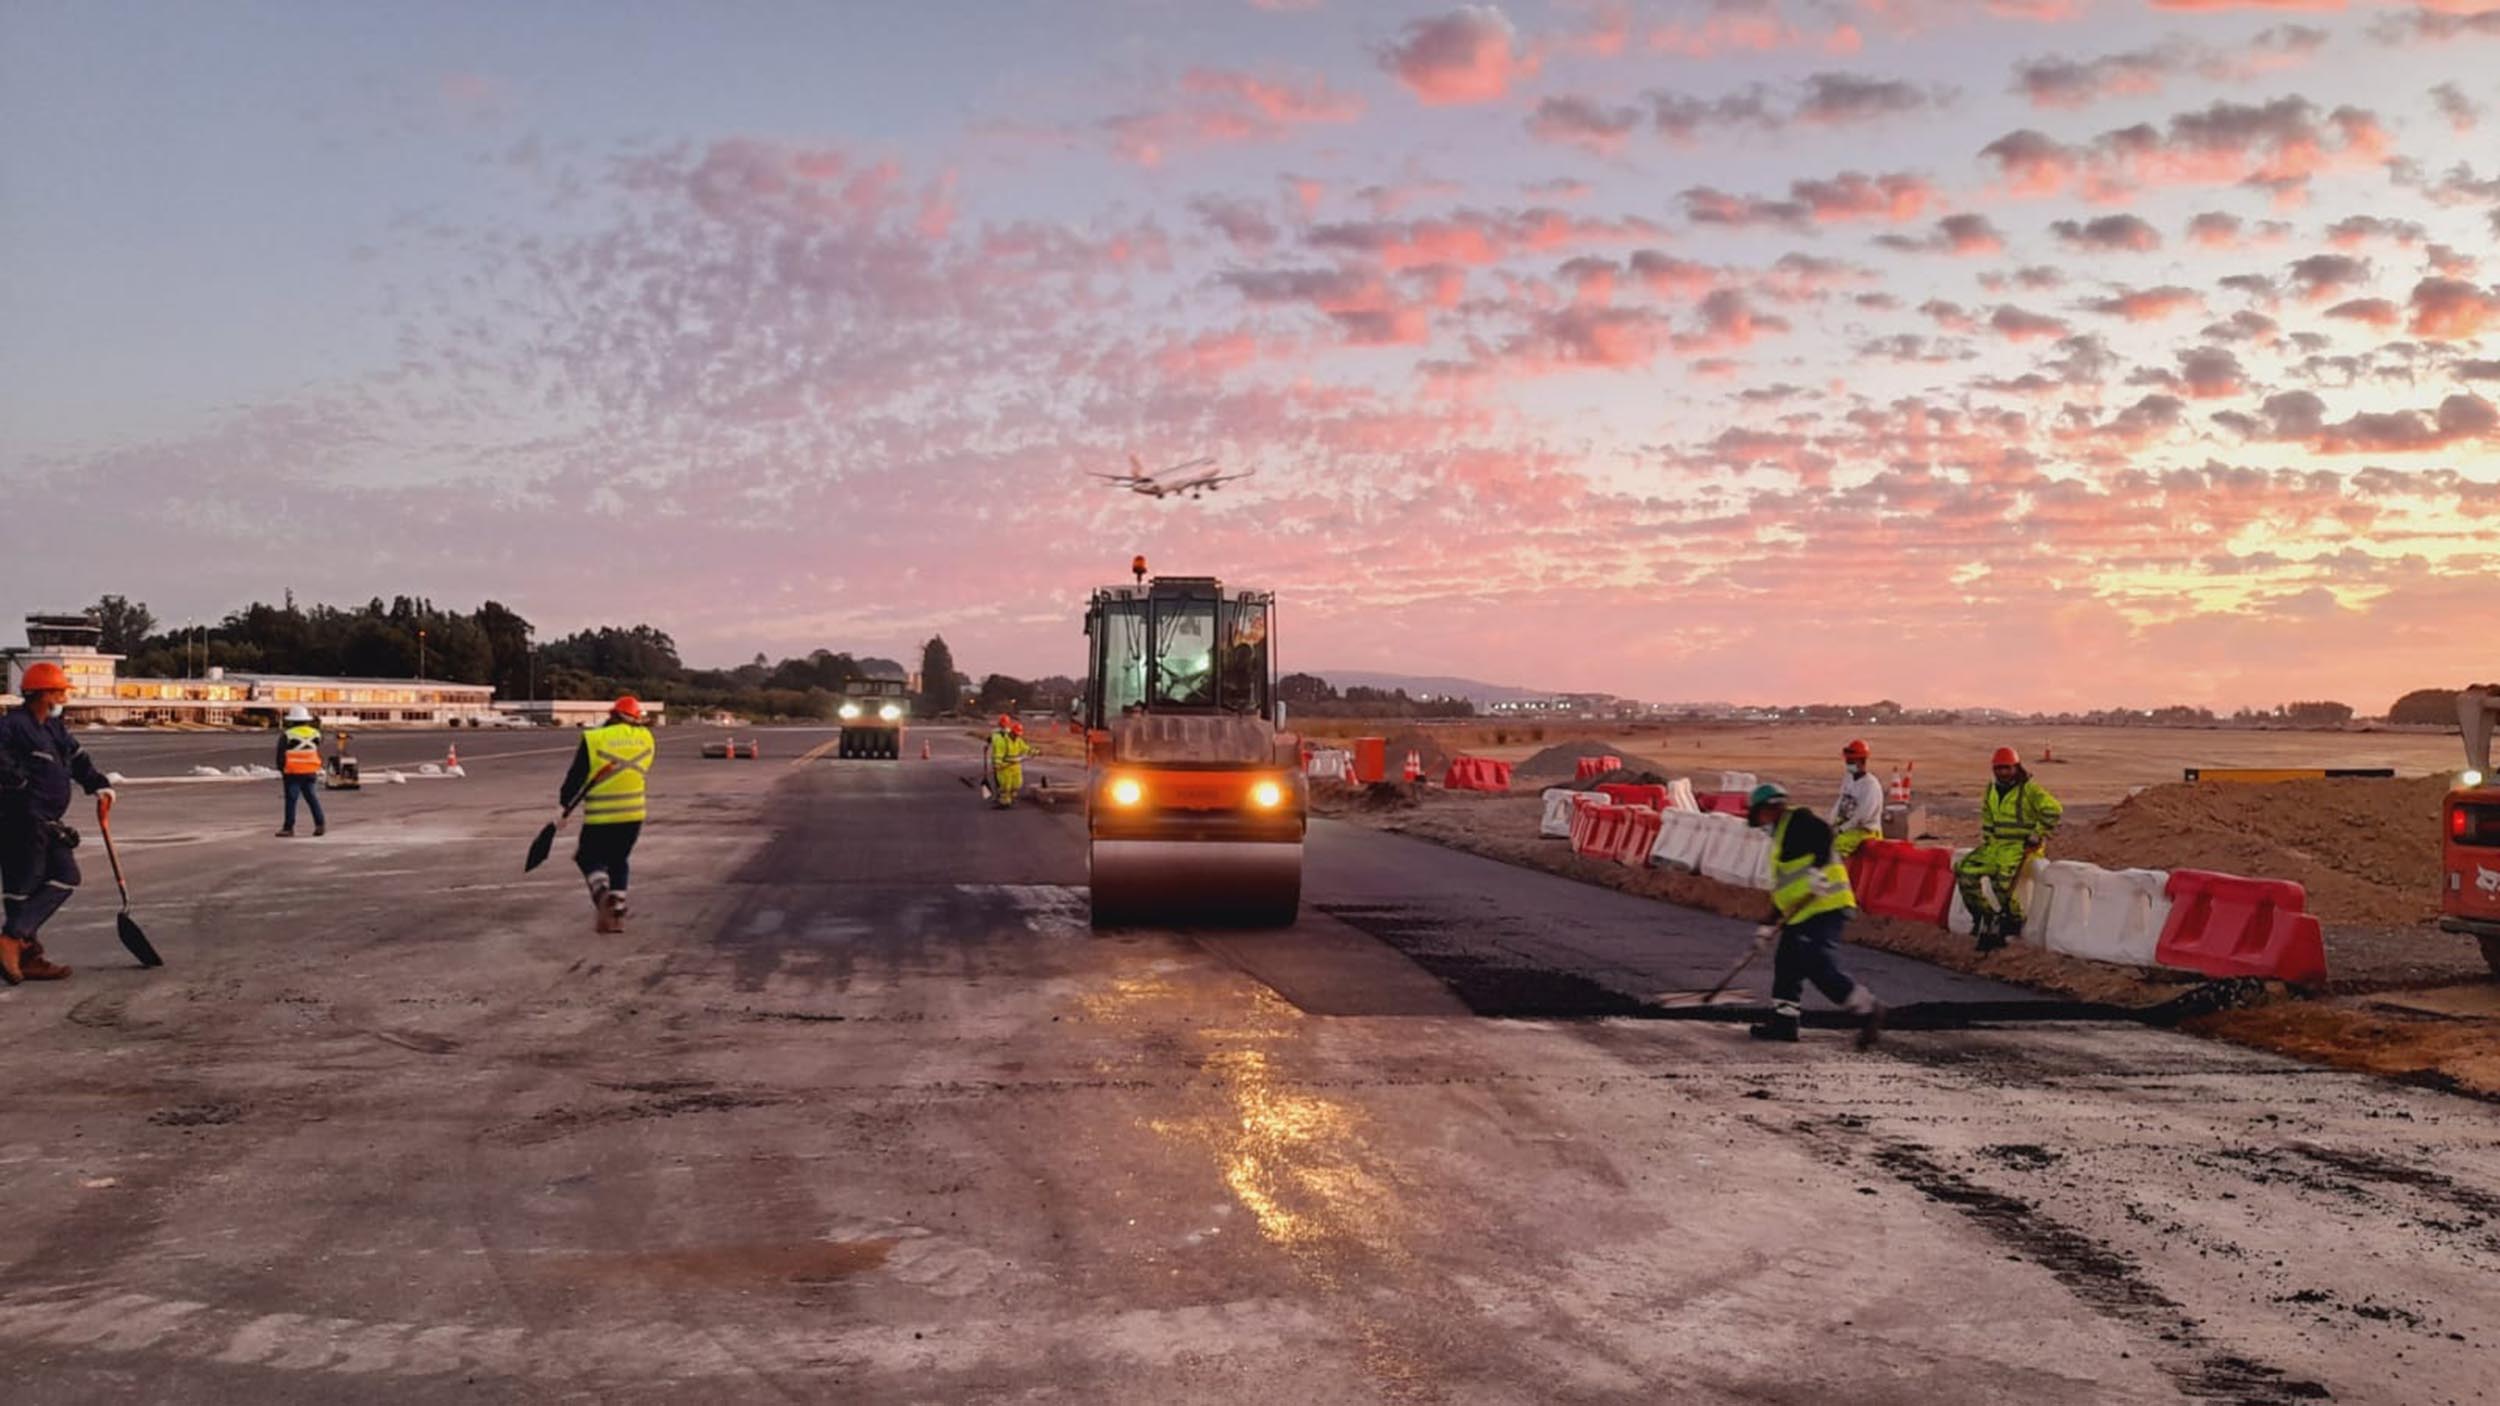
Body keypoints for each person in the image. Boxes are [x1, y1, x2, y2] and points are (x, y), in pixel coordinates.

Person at [0, 662, 116, 984]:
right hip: (18, 820)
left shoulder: (54, 728)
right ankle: (19, 946)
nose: (64, 697)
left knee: (66, 876)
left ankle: (18, 941)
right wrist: (17, 784)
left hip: (48, 821)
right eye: (59, 691)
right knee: (22, 885)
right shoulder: (13, 725)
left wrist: (99, 785)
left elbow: (77, 759)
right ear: (42, 693)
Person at [1743, 782, 1881, 1047]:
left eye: (1759, 816)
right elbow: (1786, 889)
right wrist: (1766, 925)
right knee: (1787, 964)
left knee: (1816, 962)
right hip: (1801, 912)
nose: (1760, 824)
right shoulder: (1780, 838)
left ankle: (1867, 1008)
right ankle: (1784, 1023)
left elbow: (1825, 835)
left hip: (1826, 905)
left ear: (1770, 809)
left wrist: (1818, 872)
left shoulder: (1798, 821)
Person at [560, 696, 654, 934]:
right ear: (635, 718)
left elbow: (577, 776)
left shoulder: (595, 738)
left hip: (601, 815)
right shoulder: (646, 739)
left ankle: (601, 892)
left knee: (587, 857)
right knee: (619, 859)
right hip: (634, 814)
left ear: (612, 714)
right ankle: (617, 913)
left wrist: (565, 805)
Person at [1957, 746, 2064, 952]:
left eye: (2007, 768)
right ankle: (1984, 916)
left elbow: (2054, 809)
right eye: (1998, 769)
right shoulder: (1991, 789)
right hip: (1995, 844)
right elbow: (1987, 816)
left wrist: (2037, 834)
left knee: (2002, 879)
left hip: (2019, 845)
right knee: (1965, 870)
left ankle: (2012, 919)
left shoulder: (2029, 789)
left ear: (2016, 767)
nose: (2003, 772)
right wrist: (1988, 839)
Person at [275, 704, 327, 838]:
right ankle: (320, 825)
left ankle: (288, 828)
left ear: (292, 720)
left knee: (291, 800)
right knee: (312, 798)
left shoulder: (288, 734)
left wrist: (282, 769)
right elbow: (318, 745)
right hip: (310, 771)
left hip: (293, 772)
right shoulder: (315, 733)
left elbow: (281, 755)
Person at [1832, 738, 1883, 858]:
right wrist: (1831, 823)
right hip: (1848, 827)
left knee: (1833, 846)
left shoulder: (1870, 785)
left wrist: (1841, 829)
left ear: (1861, 761)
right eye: (1847, 761)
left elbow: (1862, 817)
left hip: (1866, 831)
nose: (1848, 764)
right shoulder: (1848, 778)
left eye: (1851, 761)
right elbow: (1840, 802)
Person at [988, 715, 1031, 809]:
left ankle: (1007, 797)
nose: (1017, 735)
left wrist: (1035, 752)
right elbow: (998, 753)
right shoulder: (999, 736)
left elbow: (1025, 748)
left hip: (1014, 765)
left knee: (1017, 784)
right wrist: (997, 763)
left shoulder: (1017, 739)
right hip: (1003, 765)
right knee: (1004, 785)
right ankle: (1003, 801)